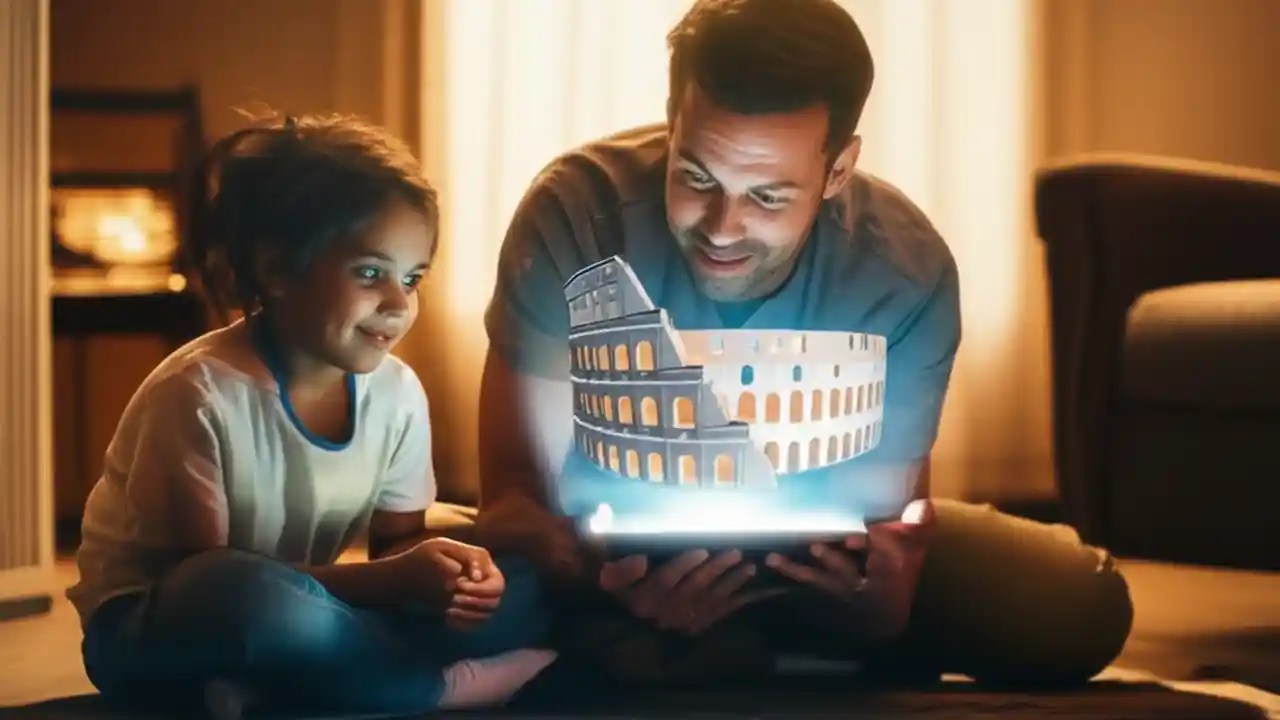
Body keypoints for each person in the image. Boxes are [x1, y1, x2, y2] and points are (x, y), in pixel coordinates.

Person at [473, 0, 1133, 691]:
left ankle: (718, 648)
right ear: (673, 123)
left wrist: (879, 606)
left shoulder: (902, 269)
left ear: (838, 170)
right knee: (477, 593)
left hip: (803, 578)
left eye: (768, 196)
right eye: (696, 178)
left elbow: (887, 520)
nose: (723, 228)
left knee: (1078, 606)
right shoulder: (575, 212)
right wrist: (595, 576)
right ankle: (699, 647)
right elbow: (516, 497)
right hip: (600, 561)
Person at [67, 113, 555, 719]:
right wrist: (394, 583)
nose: (400, 303)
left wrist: (457, 574)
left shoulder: (398, 393)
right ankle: (434, 689)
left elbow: (394, 551)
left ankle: (291, 690)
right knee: (251, 603)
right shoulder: (198, 393)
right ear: (276, 271)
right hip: (163, 626)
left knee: (526, 582)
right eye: (371, 273)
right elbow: (207, 577)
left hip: (313, 608)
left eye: (413, 277)